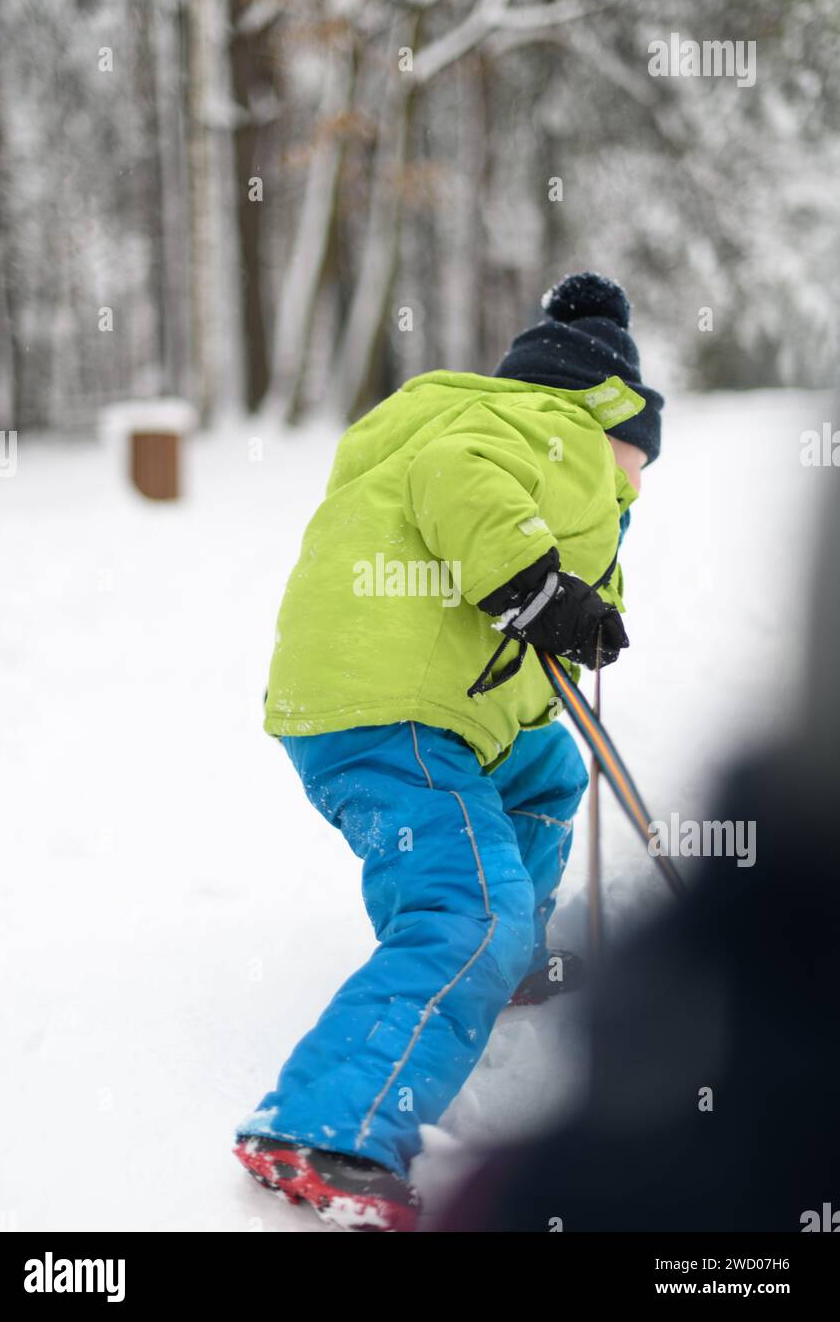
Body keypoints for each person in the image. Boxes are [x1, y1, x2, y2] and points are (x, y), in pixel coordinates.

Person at [233, 272, 664, 1231]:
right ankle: (324, 1127)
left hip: (400, 701)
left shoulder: (512, 438)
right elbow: (458, 483)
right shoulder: (544, 435)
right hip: (397, 716)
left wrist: (574, 615)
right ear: (614, 423)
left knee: (547, 771)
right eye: (643, 460)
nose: (641, 481)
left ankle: (504, 957)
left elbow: (491, 632)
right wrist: (539, 587)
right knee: (467, 908)